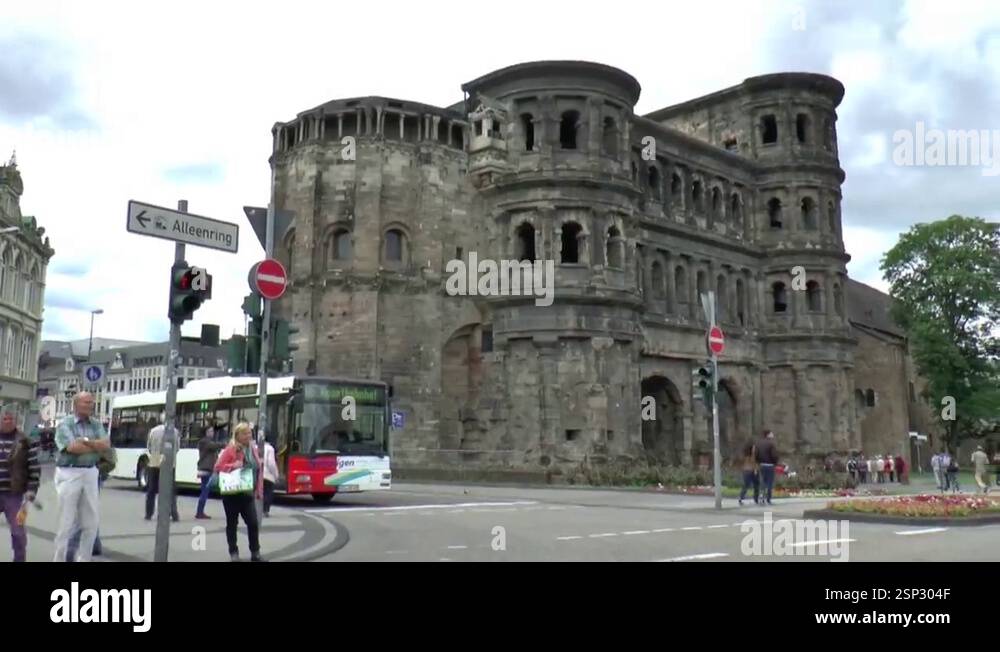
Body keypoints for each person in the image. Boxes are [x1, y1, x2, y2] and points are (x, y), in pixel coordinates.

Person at [53, 391, 110, 562]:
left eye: (91, 403)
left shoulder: (96, 424)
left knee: (91, 522)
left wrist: (86, 442)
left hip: (90, 472)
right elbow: (72, 448)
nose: (90, 406)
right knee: (66, 522)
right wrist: (95, 446)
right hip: (69, 472)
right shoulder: (65, 424)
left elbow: (106, 445)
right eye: (86, 402)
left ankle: (84, 559)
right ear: (76, 405)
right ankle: (60, 559)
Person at [214, 422, 264, 561]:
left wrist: (258, 490)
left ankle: (255, 552)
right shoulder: (231, 449)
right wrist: (233, 466)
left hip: (247, 492)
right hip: (232, 493)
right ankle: (234, 553)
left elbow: (257, 469)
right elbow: (218, 467)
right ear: (238, 435)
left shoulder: (252, 448)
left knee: (253, 523)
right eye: (246, 433)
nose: (249, 436)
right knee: (232, 524)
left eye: (250, 433)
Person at [0, 410, 41, 562]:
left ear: (16, 421)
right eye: (4, 418)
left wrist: (31, 490)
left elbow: (34, 468)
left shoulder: (25, 441)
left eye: (11, 418)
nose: (7, 421)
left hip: (14, 495)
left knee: (18, 533)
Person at [144, 423, 179, 521]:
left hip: (155, 462)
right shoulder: (175, 431)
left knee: (151, 490)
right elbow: (177, 448)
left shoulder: (153, 431)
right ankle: (173, 513)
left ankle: (149, 513)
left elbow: (149, 447)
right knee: (170, 490)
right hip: (169, 463)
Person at [195, 425, 224, 519]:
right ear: (206, 432)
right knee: (205, 491)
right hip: (206, 469)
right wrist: (227, 444)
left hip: (208, 469)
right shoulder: (205, 442)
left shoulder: (208, 442)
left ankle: (200, 512)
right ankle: (199, 512)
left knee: (205, 490)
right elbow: (215, 446)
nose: (212, 433)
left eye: (212, 431)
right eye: (210, 431)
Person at [754, 430, 779, 506]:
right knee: (769, 483)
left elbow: (756, 454)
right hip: (770, 465)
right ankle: (768, 499)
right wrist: (775, 463)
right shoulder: (771, 444)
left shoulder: (758, 443)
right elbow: (774, 455)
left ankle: (761, 497)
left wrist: (758, 462)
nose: (772, 434)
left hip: (762, 465)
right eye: (771, 433)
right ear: (768, 435)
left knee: (763, 482)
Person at [738, 439, 759, 506]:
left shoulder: (744, 454)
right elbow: (753, 462)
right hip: (752, 470)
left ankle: (741, 497)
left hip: (745, 470)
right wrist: (755, 469)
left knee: (746, 485)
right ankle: (756, 499)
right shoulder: (753, 454)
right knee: (756, 485)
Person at [263, 439, 279, 517]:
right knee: (268, 492)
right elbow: (271, 463)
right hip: (268, 475)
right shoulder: (270, 448)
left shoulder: (255, 446)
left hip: (258, 475)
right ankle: (266, 510)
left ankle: (258, 509)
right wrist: (276, 475)